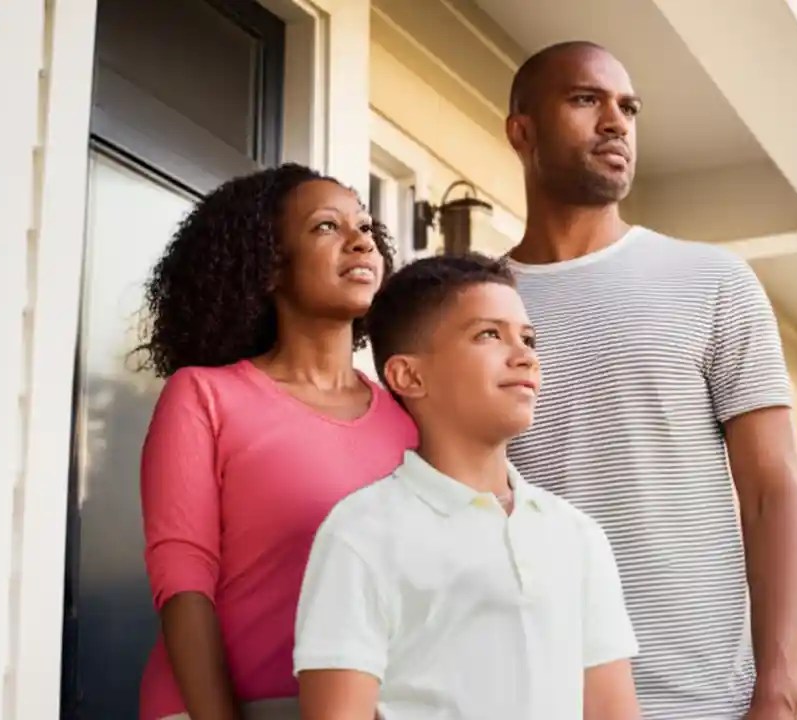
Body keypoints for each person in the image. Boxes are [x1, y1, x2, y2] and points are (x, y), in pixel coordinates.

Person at [502, 41, 797, 719]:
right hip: (535, 696)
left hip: (708, 702)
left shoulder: (711, 282)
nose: (616, 121)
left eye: (629, 107)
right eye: (587, 100)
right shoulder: (477, 309)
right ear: (521, 131)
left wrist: (781, 693)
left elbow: (773, 491)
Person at [293, 254, 642, 720]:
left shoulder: (579, 536)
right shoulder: (360, 534)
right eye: (488, 335)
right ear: (410, 376)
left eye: (528, 338)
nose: (524, 355)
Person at [135, 163, 418, 720]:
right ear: (269, 268)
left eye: (363, 225)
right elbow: (183, 579)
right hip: (211, 708)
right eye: (325, 227)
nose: (360, 239)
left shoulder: (407, 419)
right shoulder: (204, 396)